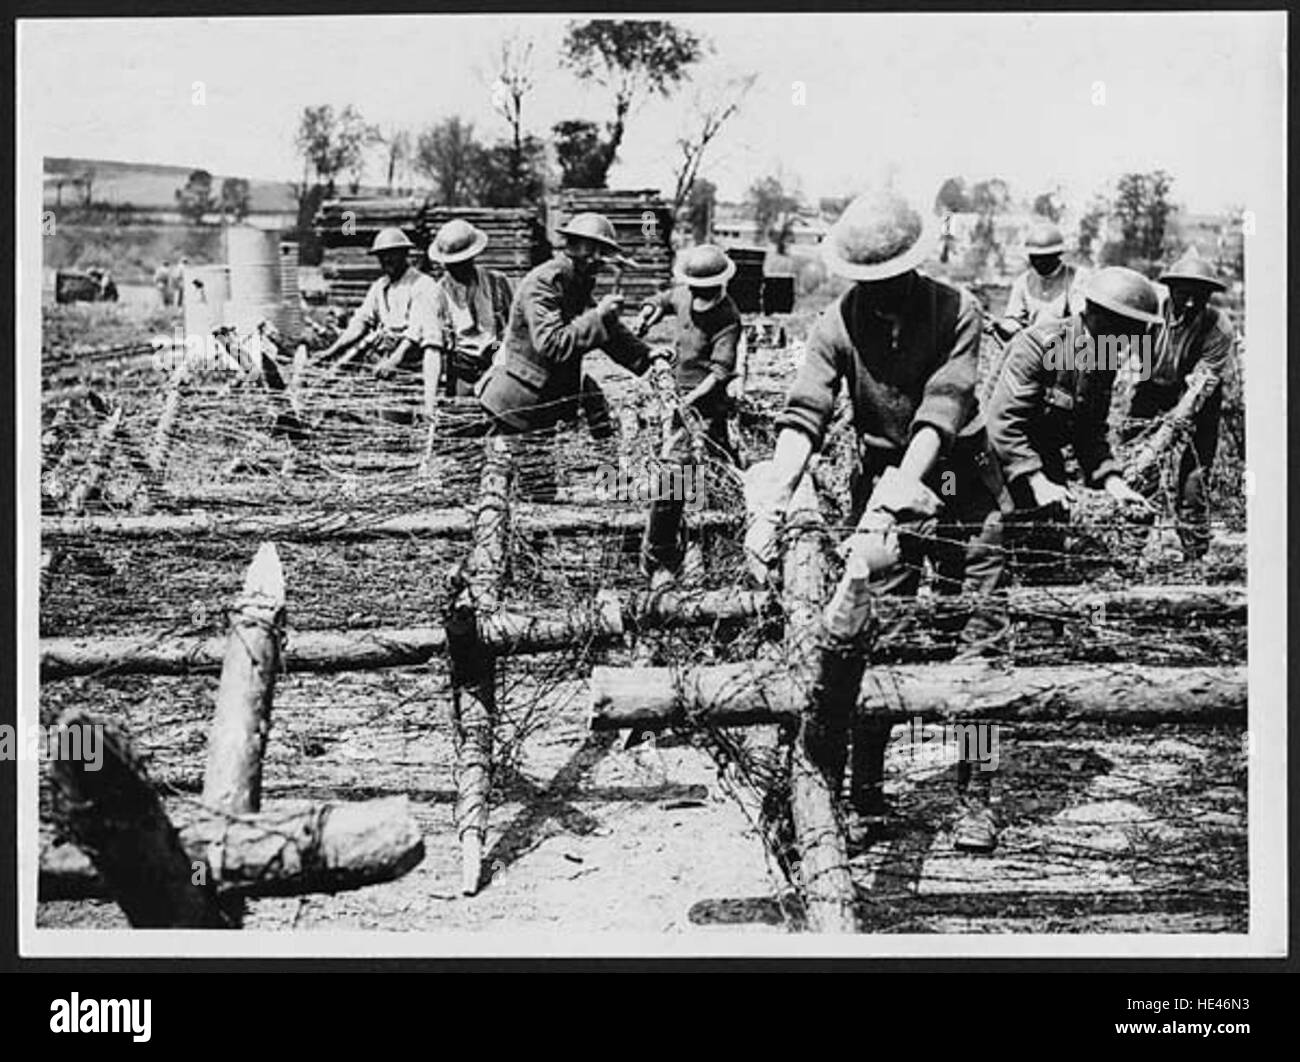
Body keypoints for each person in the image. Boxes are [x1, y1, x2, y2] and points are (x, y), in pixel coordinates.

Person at [743, 185, 1011, 853]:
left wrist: (896, 494)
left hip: (961, 486)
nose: (881, 290)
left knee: (980, 644)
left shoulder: (958, 310)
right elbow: (805, 413)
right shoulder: (836, 323)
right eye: (869, 279)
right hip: (882, 484)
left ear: (911, 266)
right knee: (871, 633)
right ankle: (865, 795)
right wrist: (775, 497)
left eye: (891, 277)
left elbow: (942, 411)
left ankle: (977, 797)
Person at [477, 212, 670, 500]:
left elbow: (610, 333)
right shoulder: (546, 282)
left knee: (538, 492)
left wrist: (647, 356)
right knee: (503, 492)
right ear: (575, 246)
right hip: (515, 404)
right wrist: (598, 314)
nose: (599, 259)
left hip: (539, 404)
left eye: (603, 252)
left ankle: (533, 541)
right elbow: (553, 344)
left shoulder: (576, 281)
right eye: (594, 250)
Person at [985, 266, 1158, 584]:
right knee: (989, 563)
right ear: (1102, 318)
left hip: (1042, 459)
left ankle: (1038, 628)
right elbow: (1002, 423)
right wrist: (1036, 481)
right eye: (1132, 330)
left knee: (1044, 562)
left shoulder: (1103, 355)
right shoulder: (1041, 344)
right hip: (992, 462)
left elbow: (1089, 431)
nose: (1134, 341)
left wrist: (1114, 484)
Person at [636, 244, 743, 585]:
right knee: (676, 475)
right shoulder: (685, 296)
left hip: (706, 407)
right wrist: (650, 310)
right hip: (677, 397)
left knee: (692, 475)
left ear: (718, 285)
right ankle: (668, 550)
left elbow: (720, 372)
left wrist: (689, 401)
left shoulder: (728, 317)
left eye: (705, 289)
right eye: (695, 288)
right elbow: (664, 298)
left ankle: (679, 554)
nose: (698, 294)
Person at [1122, 250, 1237, 560]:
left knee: (1194, 480)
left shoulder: (1218, 327)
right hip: (1150, 391)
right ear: (1170, 290)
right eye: (1183, 294)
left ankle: (1195, 558)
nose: (1189, 303)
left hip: (1198, 400)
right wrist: (1145, 446)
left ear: (1208, 296)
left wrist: (1163, 439)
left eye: (1198, 297)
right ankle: (1129, 554)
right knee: (1140, 473)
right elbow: (1126, 367)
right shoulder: (1147, 315)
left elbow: (1196, 393)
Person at [314, 227, 439, 403]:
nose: (386, 259)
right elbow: (361, 321)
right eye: (382, 255)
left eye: (392, 254)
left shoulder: (422, 285)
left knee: (397, 415)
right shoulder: (380, 286)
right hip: (382, 360)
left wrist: (394, 360)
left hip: (411, 366)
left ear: (404, 253)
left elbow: (415, 333)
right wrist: (331, 351)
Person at [425, 220, 516, 400]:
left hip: (497, 359)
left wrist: (497, 366)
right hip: (462, 369)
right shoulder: (437, 294)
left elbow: (513, 331)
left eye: (461, 263)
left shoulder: (497, 283)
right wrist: (429, 400)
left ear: (472, 257)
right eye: (450, 264)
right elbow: (432, 349)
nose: (455, 269)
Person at [994, 222, 1086, 339]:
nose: (1038, 263)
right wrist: (1001, 327)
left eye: (1044, 258)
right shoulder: (1023, 282)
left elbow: (1080, 321)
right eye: (1034, 258)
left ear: (1056, 255)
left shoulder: (1076, 278)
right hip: (1033, 347)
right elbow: (1015, 322)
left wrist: (1046, 329)